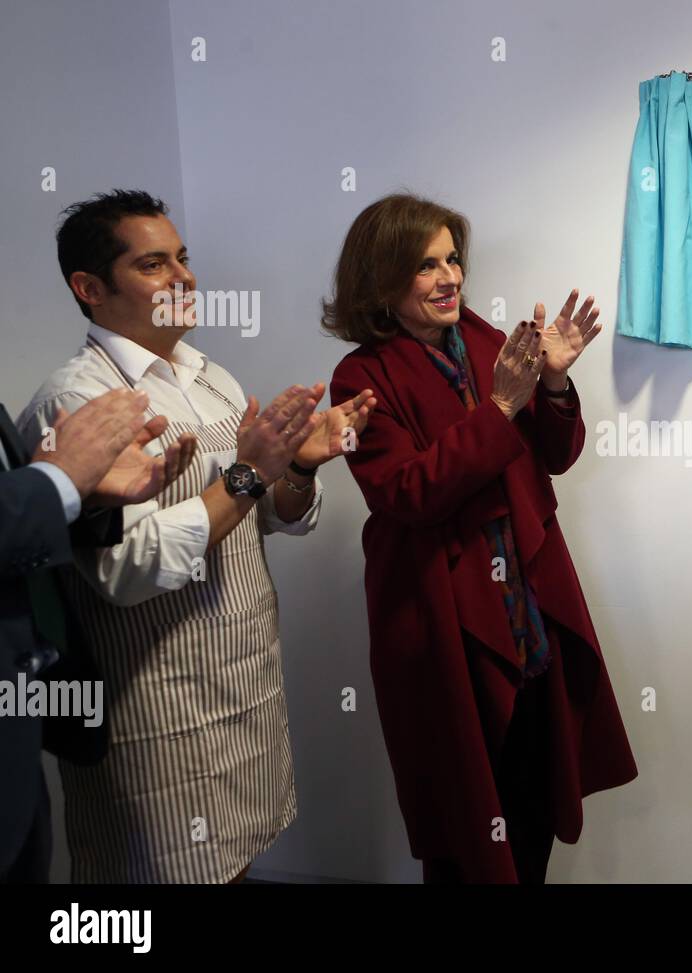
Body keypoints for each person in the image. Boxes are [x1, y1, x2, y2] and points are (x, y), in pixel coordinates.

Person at [17, 189, 376, 883]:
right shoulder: (78, 403)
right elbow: (121, 572)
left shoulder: (210, 378)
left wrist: (297, 464)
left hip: (239, 680)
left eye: (183, 258)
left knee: (234, 862)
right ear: (89, 287)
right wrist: (243, 473)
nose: (184, 279)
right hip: (154, 705)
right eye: (153, 265)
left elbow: (272, 512)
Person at [326, 193, 637, 884]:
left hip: (527, 615)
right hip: (445, 625)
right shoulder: (360, 377)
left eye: (453, 258)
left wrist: (553, 383)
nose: (450, 277)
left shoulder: (498, 344)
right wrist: (499, 407)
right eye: (426, 265)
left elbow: (552, 455)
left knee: (531, 807)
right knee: (467, 830)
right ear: (382, 278)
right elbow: (406, 492)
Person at [2, 386, 195, 882]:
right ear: (91, 299)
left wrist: (82, 496)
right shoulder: (69, 393)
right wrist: (247, 479)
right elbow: (129, 572)